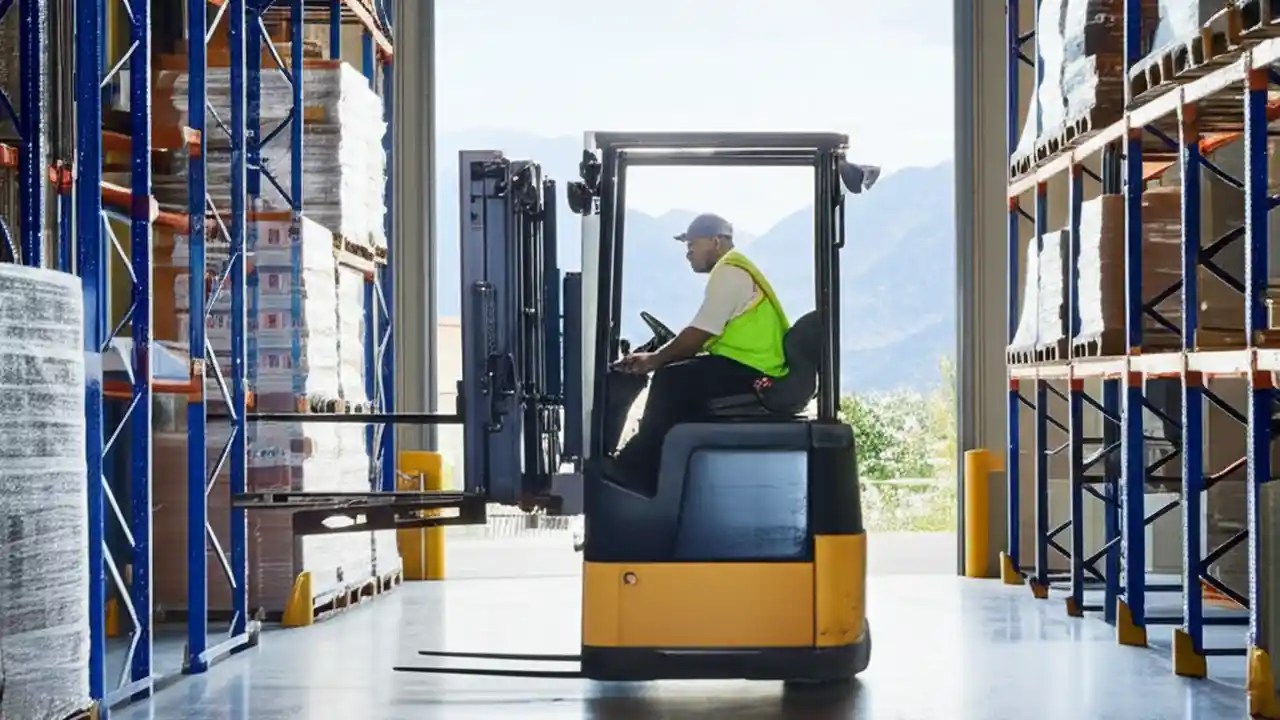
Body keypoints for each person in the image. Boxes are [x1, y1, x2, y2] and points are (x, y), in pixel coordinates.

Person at [598, 212, 790, 494]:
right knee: (679, 376)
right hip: (749, 366)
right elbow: (698, 334)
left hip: (755, 370)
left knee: (670, 380)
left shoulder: (730, 272)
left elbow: (699, 334)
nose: (688, 254)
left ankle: (636, 471)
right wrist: (665, 353)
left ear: (715, 241)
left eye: (692, 246)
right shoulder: (735, 271)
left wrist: (653, 360)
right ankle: (659, 469)